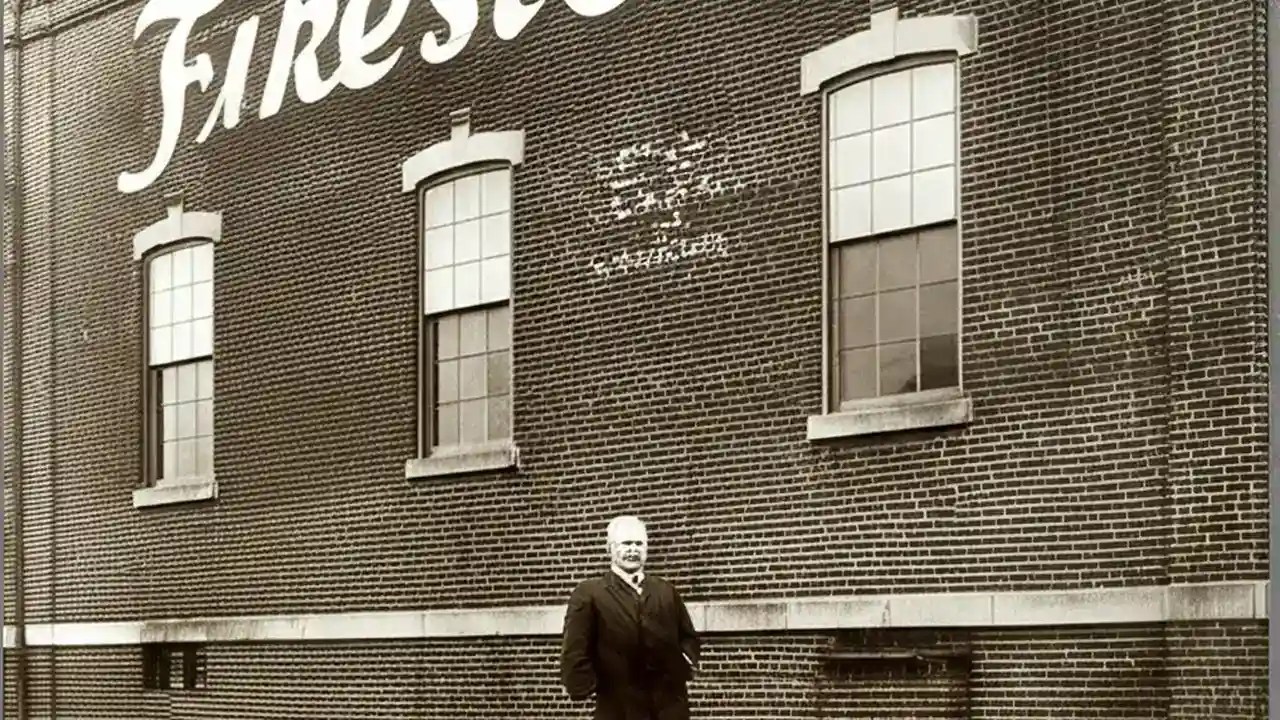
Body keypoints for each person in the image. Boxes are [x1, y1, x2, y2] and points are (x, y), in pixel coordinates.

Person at [560, 515, 700, 720]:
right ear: (610, 548)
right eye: (626, 544)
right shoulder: (590, 594)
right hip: (620, 708)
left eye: (639, 544)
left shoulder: (666, 590)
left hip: (669, 708)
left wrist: (684, 662)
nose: (633, 550)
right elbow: (574, 650)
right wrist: (593, 686)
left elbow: (688, 637)